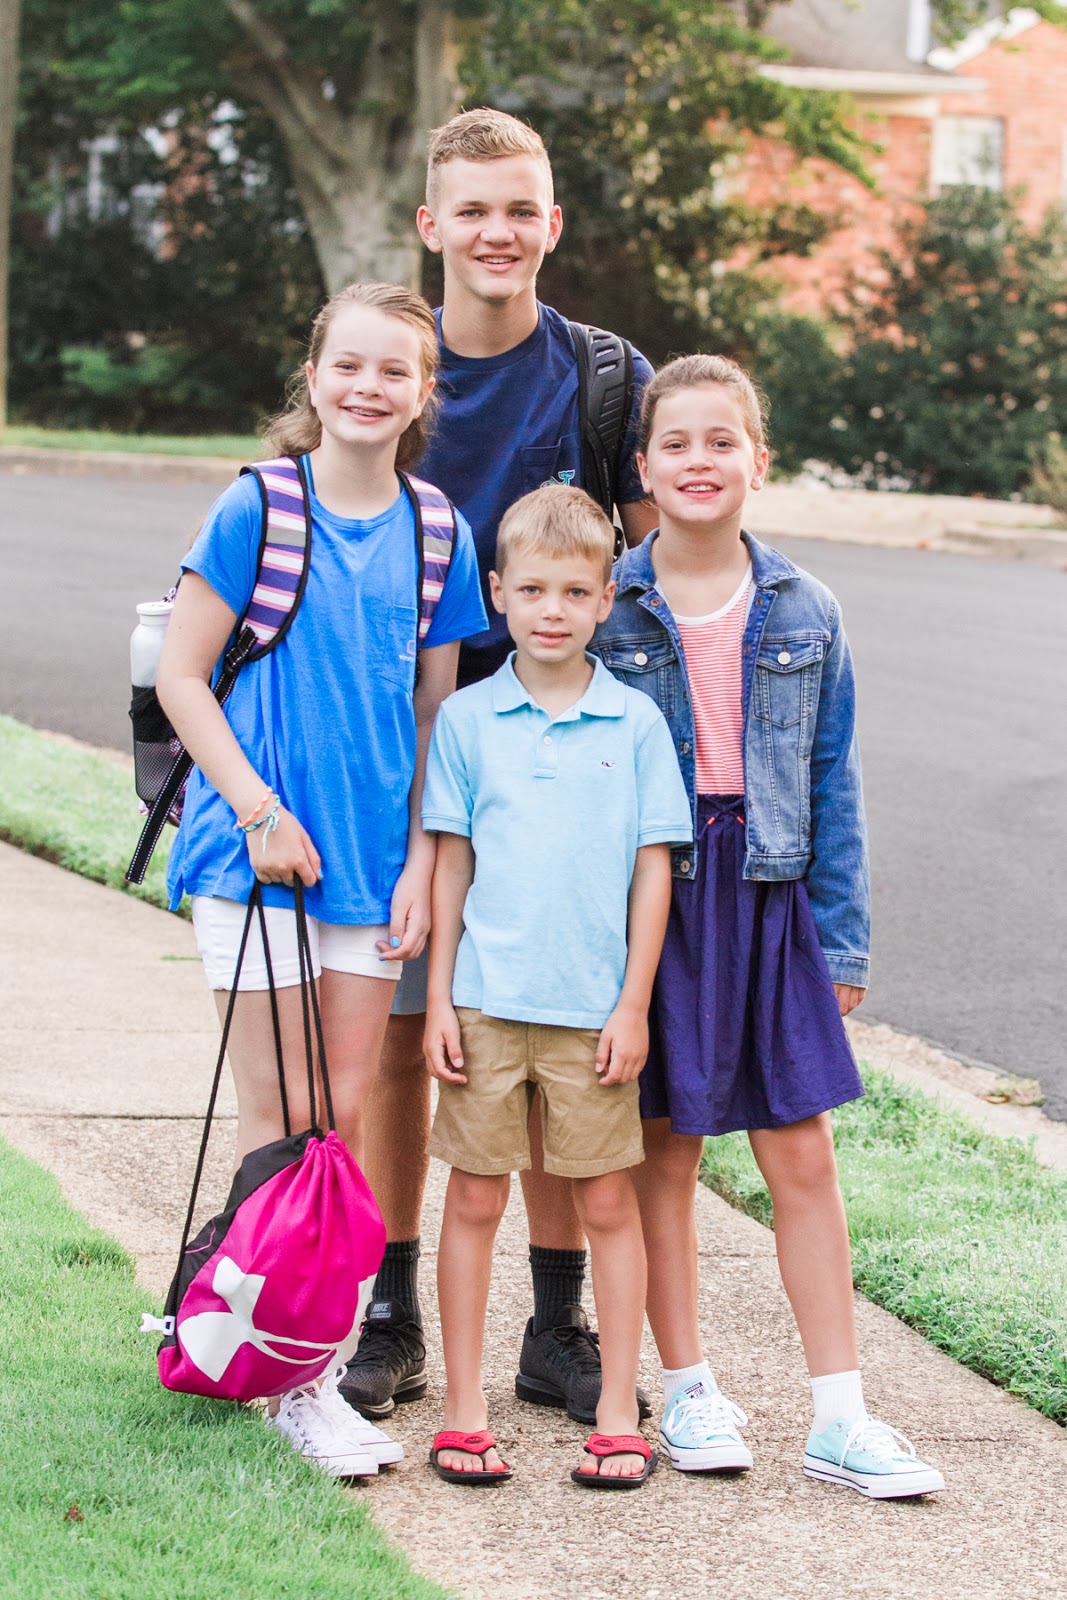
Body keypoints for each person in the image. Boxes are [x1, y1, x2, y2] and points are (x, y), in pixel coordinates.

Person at [345, 107, 660, 1424]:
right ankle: (390, 1308)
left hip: (555, 758)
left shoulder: (600, 380)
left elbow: (645, 575)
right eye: (471, 209)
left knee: (548, 1021)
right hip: (402, 752)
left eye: (519, 208)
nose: (496, 232)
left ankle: (554, 1322)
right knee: (402, 1038)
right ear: (430, 224)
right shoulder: (392, 371)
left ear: (551, 223)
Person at [592, 354, 946, 1500]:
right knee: (664, 1152)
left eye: (721, 441)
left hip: (770, 896)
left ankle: (838, 1412)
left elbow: (834, 781)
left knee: (800, 1150)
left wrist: (839, 943)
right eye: (675, 443)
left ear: (758, 459)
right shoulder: (607, 599)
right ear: (643, 465)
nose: (698, 461)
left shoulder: (804, 607)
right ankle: (687, 1386)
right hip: (654, 902)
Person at [156, 281, 487, 1478]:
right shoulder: (258, 506)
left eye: (394, 370)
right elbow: (184, 677)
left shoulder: (438, 529)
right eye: (348, 364)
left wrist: (422, 867)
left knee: (335, 1127)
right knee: (282, 1124)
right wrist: (257, 810)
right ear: (314, 376)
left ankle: (255, 1339)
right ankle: (288, 1379)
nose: (367, 387)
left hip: (369, 869)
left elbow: (435, 713)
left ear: (422, 392)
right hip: (253, 860)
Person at [421, 486, 692, 1486]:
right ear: (497, 592)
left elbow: (652, 872)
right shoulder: (466, 720)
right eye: (531, 589)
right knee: (472, 1199)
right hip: (485, 1003)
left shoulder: (634, 724)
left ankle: (616, 1410)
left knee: (607, 1204)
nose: (551, 609)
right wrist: (438, 998)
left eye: (574, 591)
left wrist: (632, 1004)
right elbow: (450, 863)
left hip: (591, 1014)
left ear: (605, 598)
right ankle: (461, 1410)